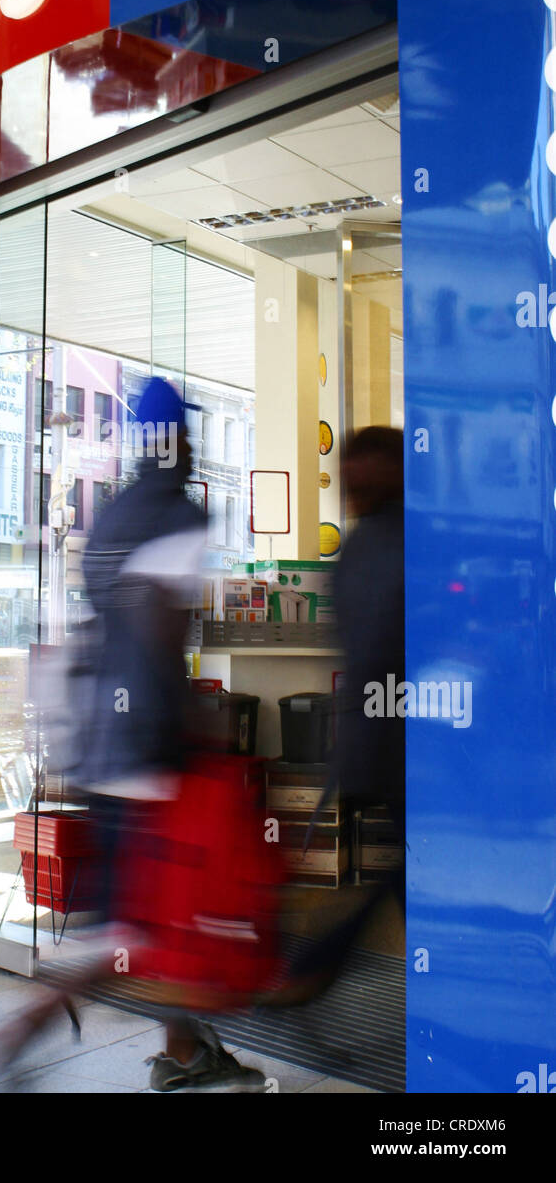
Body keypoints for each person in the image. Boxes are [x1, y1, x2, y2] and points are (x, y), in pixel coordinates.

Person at [0, 377, 269, 1091]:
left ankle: (184, 1051)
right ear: (180, 441)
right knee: (145, 918)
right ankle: (28, 1027)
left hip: (103, 742)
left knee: (150, 916)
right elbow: (157, 627)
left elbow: (108, 618)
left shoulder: (113, 515)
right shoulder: (179, 518)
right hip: (149, 748)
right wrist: (192, 734)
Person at [268, 425, 405, 1003]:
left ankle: (313, 968)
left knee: (405, 870)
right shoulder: (397, 542)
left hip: (375, 738)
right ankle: (313, 969)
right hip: (402, 739)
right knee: (412, 869)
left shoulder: (361, 544)